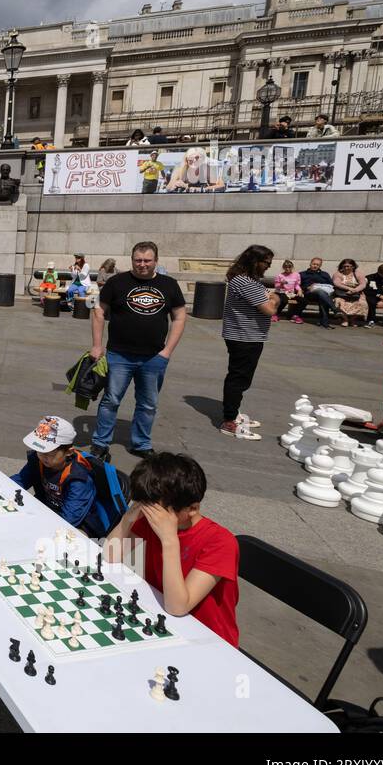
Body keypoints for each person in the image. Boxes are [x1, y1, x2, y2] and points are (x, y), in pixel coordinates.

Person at [104, 453, 239, 646]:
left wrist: (169, 540)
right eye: (145, 507)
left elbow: (178, 606)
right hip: (161, 621)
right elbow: (110, 555)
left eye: (156, 511)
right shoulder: (150, 518)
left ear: (192, 508)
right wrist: (129, 518)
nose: (150, 516)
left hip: (208, 640)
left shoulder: (221, 542)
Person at [89, 241, 187, 462]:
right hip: (119, 355)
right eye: (138, 260)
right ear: (132, 260)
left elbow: (180, 317)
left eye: (147, 260)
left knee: (148, 404)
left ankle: (141, 444)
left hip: (154, 357)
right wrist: (97, 345)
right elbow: (98, 312)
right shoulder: (116, 282)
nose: (142, 264)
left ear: (156, 261)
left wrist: (168, 351)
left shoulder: (169, 284)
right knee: (111, 400)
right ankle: (100, 443)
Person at [219, 245, 279, 439]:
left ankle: (233, 413)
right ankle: (229, 421)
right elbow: (269, 308)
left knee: (241, 377)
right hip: (244, 336)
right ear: (255, 261)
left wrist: (272, 299)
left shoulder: (249, 280)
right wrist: (277, 299)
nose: (269, 266)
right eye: (266, 263)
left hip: (248, 335)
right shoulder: (244, 281)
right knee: (238, 378)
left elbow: (268, 301)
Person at [297, 257, 336, 328]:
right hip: (309, 294)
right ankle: (334, 308)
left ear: (320, 266)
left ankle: (325, 323)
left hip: (323, 294)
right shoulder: (302, 274)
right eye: (314, 264)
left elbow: (331, 285)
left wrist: (321, 286)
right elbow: (297, 285)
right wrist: (307, 287)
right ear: (310, 264)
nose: (315, 266)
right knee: (320, 292)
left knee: (322, 296)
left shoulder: (325, 274)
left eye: (317, 265)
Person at [332, 259, 369, 328]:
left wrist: (354, 290)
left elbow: (363, 284)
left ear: (353, 266)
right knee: (338, 301)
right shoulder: (338, 274)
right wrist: (349, 289)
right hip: (341, 293)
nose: (346, 268)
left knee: (362, 303)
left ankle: (352, 320)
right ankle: (345, 319)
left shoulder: (358, 274)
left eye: (348, 266)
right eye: (344, 266)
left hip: (356, 293)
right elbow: (336, 283)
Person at [271, 259, 303, 324]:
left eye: (289, 267)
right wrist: (281, 283)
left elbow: (296, 285)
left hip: (291, 293)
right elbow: (276, 286)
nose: (288, 269)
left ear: (292, 267)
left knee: (303, 300)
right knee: (285, 300)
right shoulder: (280, 275)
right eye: (286, 267)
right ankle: (275, 314)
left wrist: (299, 290)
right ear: (284, 268)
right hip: (281, 292)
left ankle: (295, 315)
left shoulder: (296, 275)